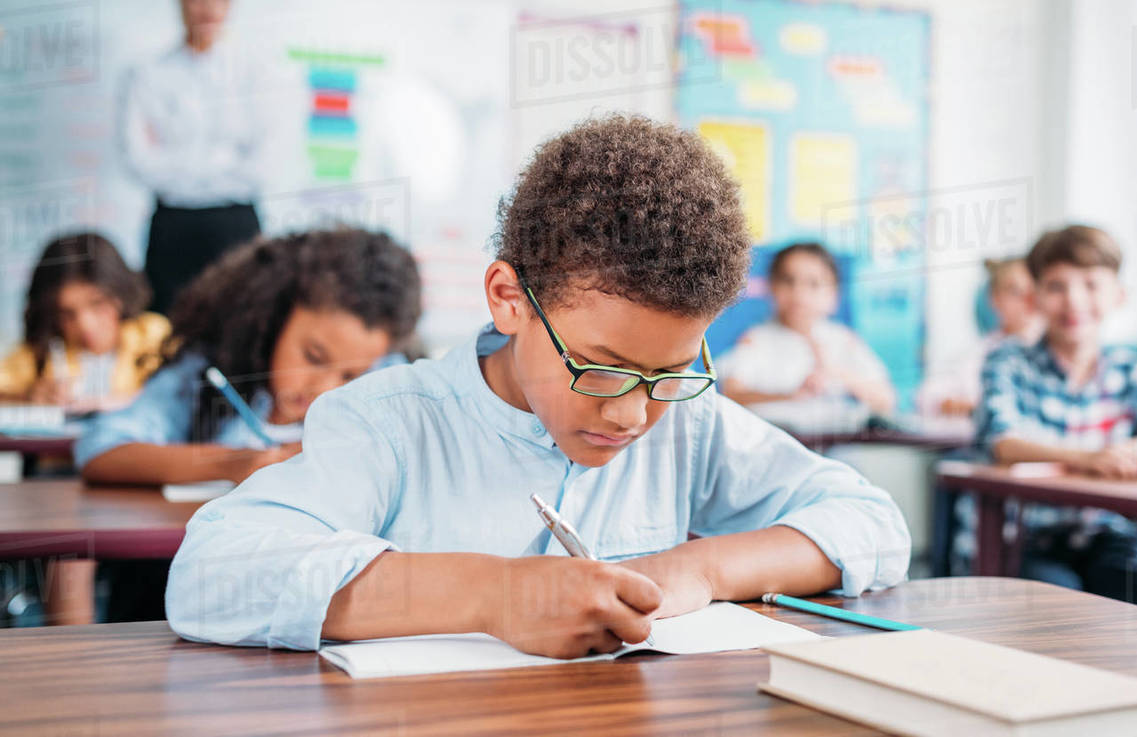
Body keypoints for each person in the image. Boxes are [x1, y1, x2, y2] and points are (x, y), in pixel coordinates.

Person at [165, 115, 911, 654]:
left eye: (669, 373)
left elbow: (871, 520)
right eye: (600, 365)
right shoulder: (391, 421)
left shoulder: (689, 421)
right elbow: (210, 574)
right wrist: (494, 593)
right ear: (508, 298)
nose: (631, 411)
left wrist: (697, 567)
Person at [962, 225, 1137, 611]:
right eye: (1056, 286)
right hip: (1025, 538)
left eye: (1091, 284)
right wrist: (1093, 458)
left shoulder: (1129, 370)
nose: (1074, 301)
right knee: (1059, 609)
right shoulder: (1008, 361)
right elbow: (1002, 441)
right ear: (1035, 297)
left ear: (1119, 295)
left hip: (1102, 532)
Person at [76, 228, 421, 487]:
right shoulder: (208, 372)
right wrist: (235, 463)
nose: (324, 388)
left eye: (350, 375)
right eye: (314, 356)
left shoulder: (387, 380)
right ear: (275, 319)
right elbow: (99, 450)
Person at [118, 0, 264, 314]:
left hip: (236, 227)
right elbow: (140, 162)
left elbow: (262, 164)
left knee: (240, 331)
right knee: (166, 335)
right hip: (173, 228)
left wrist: (179, 161)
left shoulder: (257, 73)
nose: (211, 9)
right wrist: (222, 159)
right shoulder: (146, 74)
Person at [719, 242, 896, 415]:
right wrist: (790, 396)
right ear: (771, 288)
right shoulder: (756, 340)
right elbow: (731, 393)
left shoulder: (844, 340)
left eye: (814, 284)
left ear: (834, 296)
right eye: (788, 281)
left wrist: (836, 374)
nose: (799, 293)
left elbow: (886, 400)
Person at [0, 232, 169, 411]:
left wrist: (120, 402)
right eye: (67, 313)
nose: (85, 324)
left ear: (120, 294)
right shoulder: (40, 351)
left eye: (97, 304)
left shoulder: (152, 335)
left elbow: (184, 392)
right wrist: (29, 396)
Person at [916, 256, 1043, 417]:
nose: (1027, 299)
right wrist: (957, 406)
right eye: (1014, 291)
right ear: (994, 299)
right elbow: (927, 396)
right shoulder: (978, 356)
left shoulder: (1059, 349)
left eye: (1033, 289)